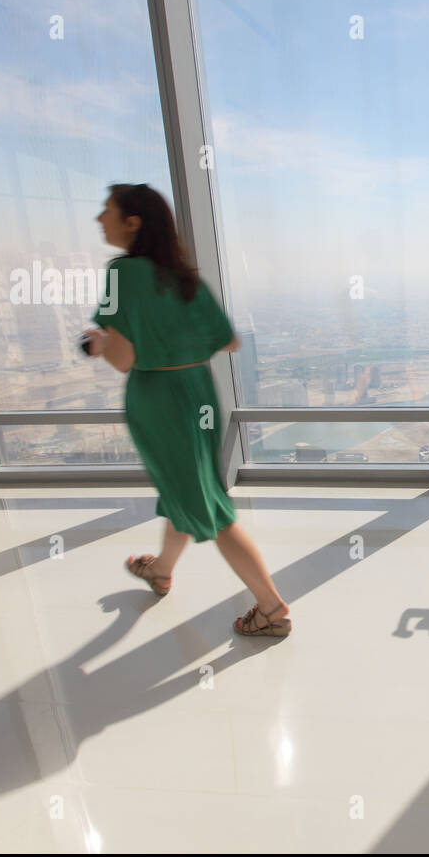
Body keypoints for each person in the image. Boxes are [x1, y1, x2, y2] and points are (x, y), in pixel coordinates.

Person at [84, 183, 291, 637]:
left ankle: (270, 606)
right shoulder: (184, 277)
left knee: (208, 507)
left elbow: (122, 359)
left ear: (133, 222)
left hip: (157, 398)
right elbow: (230, 341)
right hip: (198, 391)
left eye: (107, 211)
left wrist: (98, 341)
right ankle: (160, 570)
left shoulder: (122, 275)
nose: (100, 219)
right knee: (187, 487)